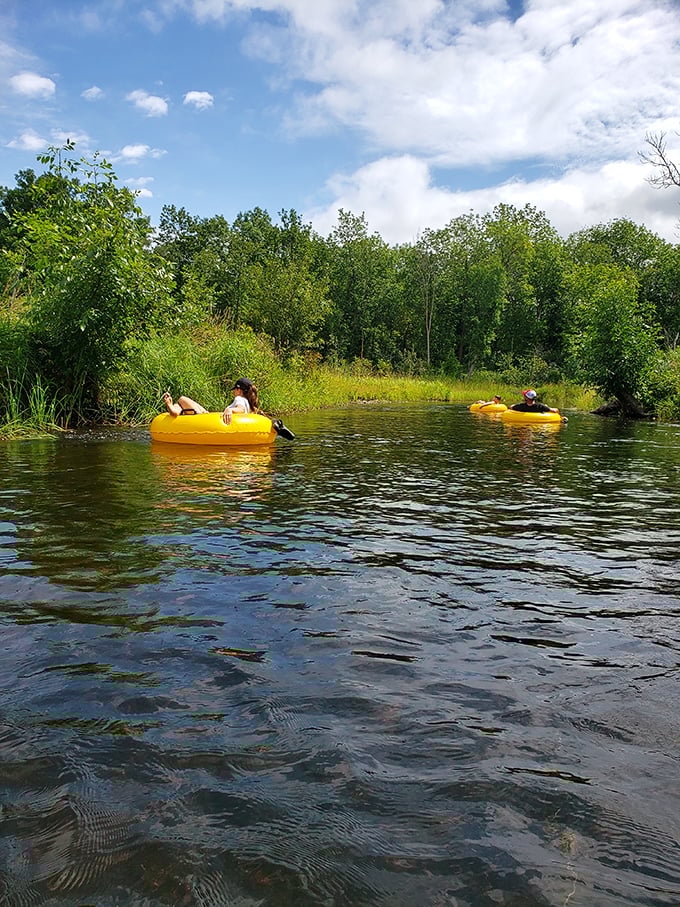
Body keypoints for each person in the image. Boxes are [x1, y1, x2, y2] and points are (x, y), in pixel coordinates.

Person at [162, 378, 259, 425]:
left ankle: (173, 408)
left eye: (235, 390)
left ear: (239, 390)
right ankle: (174, 409)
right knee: (179, 404)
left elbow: (240, 409)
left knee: (182, 399)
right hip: (208, 417)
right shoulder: (249, 404)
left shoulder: (239, 399)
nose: (234, 392)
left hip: (205, 422)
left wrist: (230, 410)